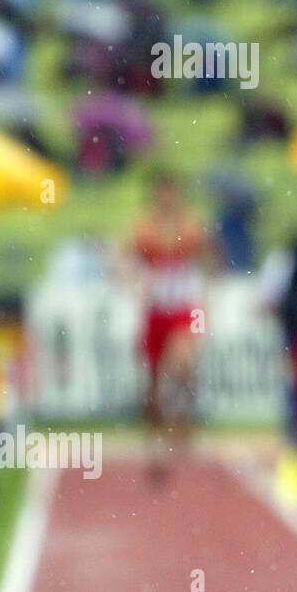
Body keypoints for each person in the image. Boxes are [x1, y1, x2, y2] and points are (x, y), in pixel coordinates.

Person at [128, 169, 214, 482]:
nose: (167, 200)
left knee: (181, 363)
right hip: (154, 313)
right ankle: (155, 435)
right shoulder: (144, 228)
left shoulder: (191, 227)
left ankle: (182, 419)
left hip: (183, 310)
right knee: (151, 384)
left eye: (171, 193)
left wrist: (205, 299)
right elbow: (125, 259)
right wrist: (130, 278)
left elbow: (208, 260)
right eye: (161, 194)